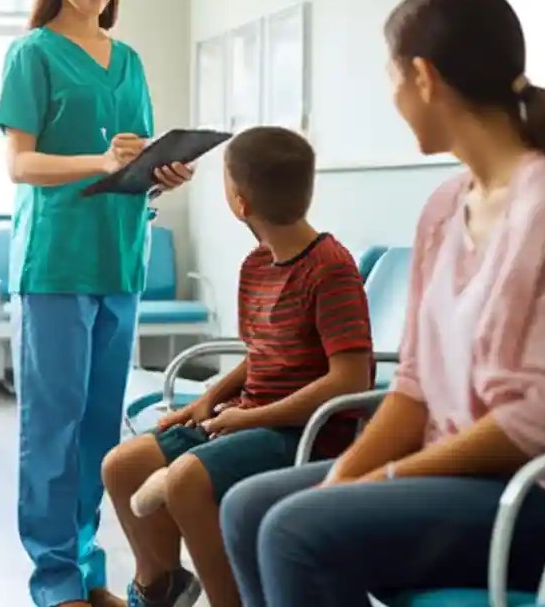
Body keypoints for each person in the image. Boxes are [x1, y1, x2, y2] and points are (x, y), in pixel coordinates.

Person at [218, 0, 545, 607]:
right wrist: (347, 476)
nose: (394, 98)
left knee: (296, 530)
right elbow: (413, 386)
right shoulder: (444, 209)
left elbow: (541, 423)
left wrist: (385, 478)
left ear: (424, 77)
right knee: (250, 508)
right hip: (480, 482)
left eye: (393, 80)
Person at [0, 0, 194, 607]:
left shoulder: (130, 60)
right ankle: (54, 585)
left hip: (120, 260)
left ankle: (88, 572)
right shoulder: (32, 54)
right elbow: (19, 164)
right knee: (51, 430)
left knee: (99, 436)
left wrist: (163, 171)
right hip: (54, 265)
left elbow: (130, 163)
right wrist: (97, 159)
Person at [101, 126, 375, 607]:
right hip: (244, 418)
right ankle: (160, 589)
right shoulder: (256, 265)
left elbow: (350, 380)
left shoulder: (331, 267)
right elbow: (262, 355)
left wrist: (249, 417)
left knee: (186, 480)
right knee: (123, 466)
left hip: (304, 435)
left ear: (241, 203)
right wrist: (208, 398)